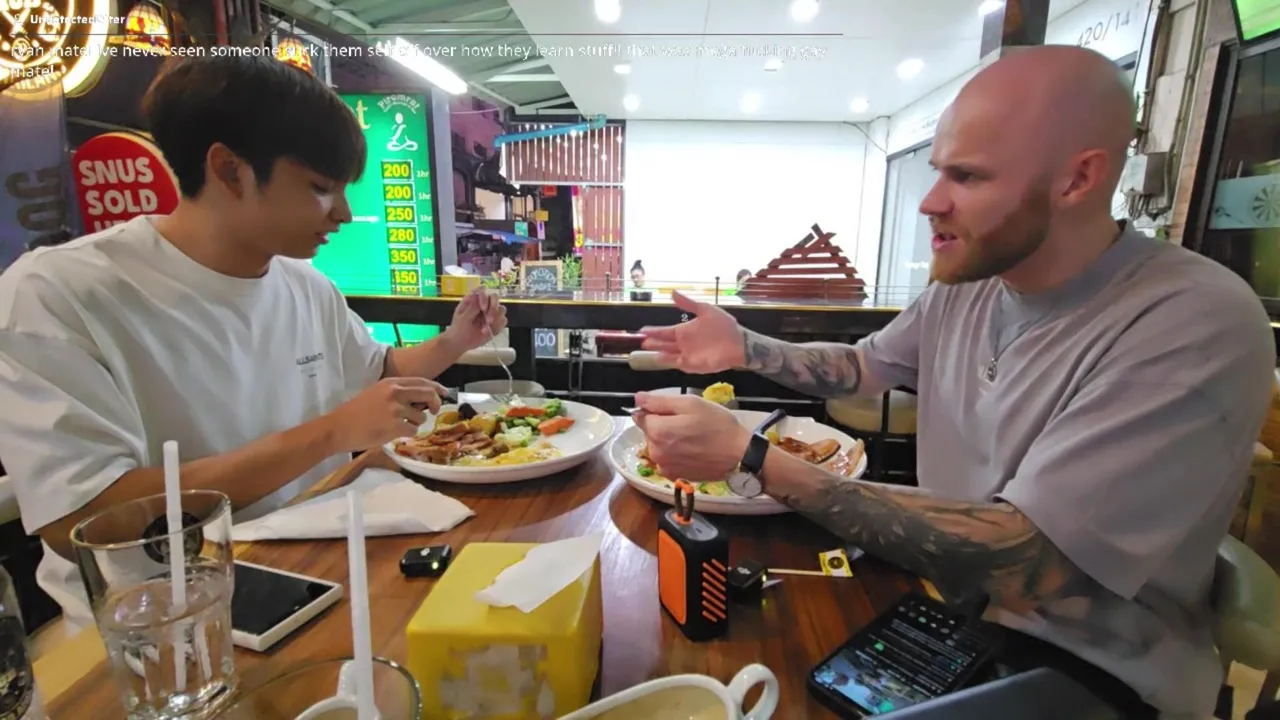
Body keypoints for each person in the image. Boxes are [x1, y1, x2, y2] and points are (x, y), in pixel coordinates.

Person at [632, 45, 1274, 718]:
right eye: (939, 171)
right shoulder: (971, 284)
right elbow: (863, 368)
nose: (930, 202)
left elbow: (1028, 561)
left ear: (1078, 178)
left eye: (966, 176)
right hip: (950, 605)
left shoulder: (1191, 319)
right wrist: (746, 346)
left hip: (1094, 671)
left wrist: (752, 458)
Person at [0, 56, 507, 631]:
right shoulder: (57, 293)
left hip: (312, 574)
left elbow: (377, 372)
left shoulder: (304, 285)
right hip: (153, 628)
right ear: (230, 170)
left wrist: (456, 340)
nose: (343, 213)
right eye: (321, 188)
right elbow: (84, 519)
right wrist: (331, 433)